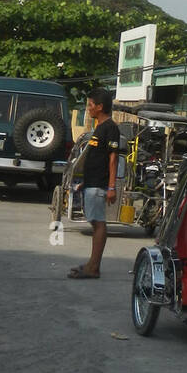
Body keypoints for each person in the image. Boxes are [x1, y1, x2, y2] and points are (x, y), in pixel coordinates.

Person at [68, 87, 120, 280]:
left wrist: (112, 187)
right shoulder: (99, 127)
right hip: (92, 183)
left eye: (90, 105)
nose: (88, 108)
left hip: (100, 185)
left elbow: (112, 158)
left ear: (100, 106)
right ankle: (91, 264)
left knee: (98, 224)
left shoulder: (110, 128)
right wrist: (85, 182)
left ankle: (93, 267)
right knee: (94, 222)